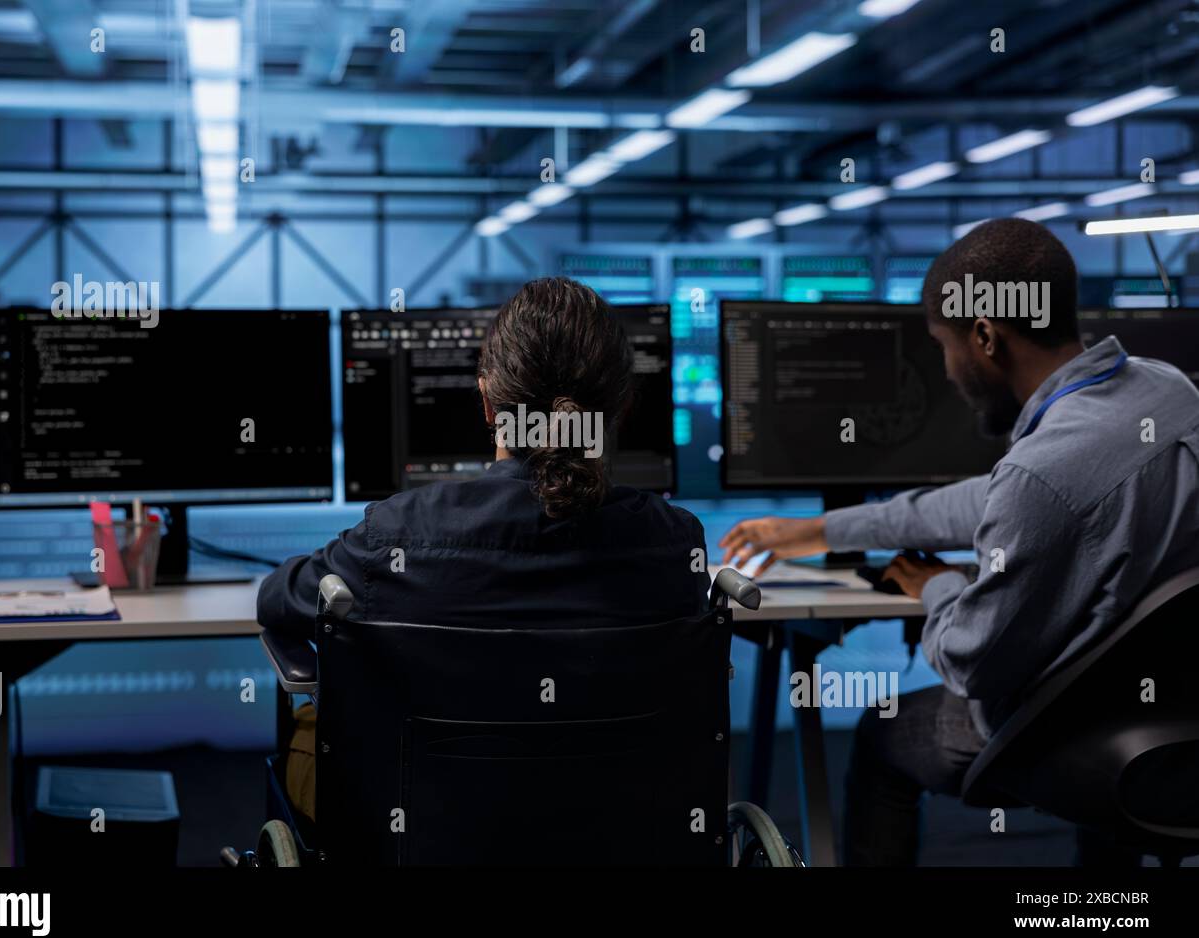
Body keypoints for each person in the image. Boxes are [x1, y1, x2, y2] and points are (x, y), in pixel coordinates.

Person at [719, 218, 1199, 866]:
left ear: (985, 336)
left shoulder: (1042, 474)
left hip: (1056, 726)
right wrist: (820, 531)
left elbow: (973, 661)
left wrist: (935, 586)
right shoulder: (1169, 391)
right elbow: (994, 498)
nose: (947, 371)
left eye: (944, 345)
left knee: (883, 731)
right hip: (1174, 709)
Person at [259, 276, 710, 819]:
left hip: (424, 827)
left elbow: (277, 599)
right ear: (621, 407)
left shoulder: (399, 533)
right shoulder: (673, 541)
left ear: (488, 400)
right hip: (622, 826)